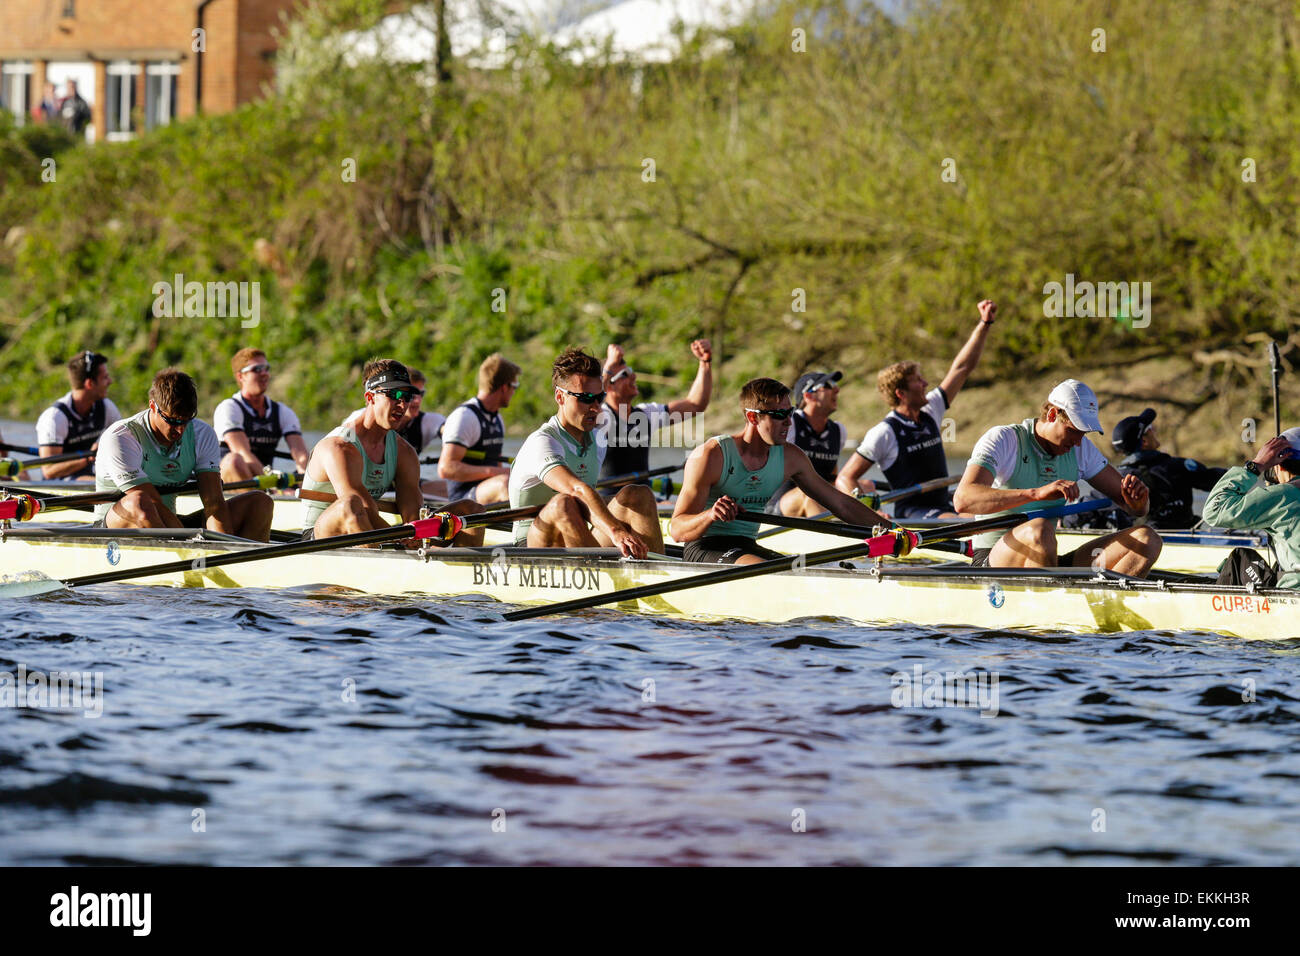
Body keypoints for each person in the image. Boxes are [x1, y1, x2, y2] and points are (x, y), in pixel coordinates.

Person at [670, 378, 897, 564]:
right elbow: (677, 529)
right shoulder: (712, 455)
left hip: (747, 546)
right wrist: (710, 515)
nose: (788, 422)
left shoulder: (791, 457)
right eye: (779, 415)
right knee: (779, 574)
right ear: (752, 417)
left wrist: (893, 530)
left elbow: (840, 503)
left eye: (790, 413)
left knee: (809, 573)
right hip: (705, 548)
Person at [953, 379, 1163, 575]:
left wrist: (1139, 503)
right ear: (1052, 415)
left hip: (1046, 560)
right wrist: (1035, 494)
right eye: (1073, 431)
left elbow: (1133, 508)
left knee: (1147, 539)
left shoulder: (1081, 450)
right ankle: (1055, 601)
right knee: (1040, 527)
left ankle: (1107, 605)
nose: (1079, 442)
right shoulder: (1005, 440)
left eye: (1084, 434)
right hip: (994, 560)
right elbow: (963, 500)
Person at [836, 299, 999, 517]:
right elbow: (845, 477)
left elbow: (962, 368)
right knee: (965, 524)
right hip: (914, 512)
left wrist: (984, 323)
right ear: (901, 393)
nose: (925, 384)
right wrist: (868, 513)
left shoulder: (931, 409)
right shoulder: (884, 433)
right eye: (917, 381)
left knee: (994, 516)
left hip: (944, 503)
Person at [301, 359, 482, 545]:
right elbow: (365, 508)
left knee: (472, 509)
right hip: (320, 536)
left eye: (406, 397)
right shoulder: (339, 448)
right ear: (370, 397)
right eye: (393, 394)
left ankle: (465, 566)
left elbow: (412, 512)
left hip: (369, 529)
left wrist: (415, 533)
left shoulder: (404, 452)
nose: (402, 405)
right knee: (351, 504)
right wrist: (401, 537)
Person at [508, 347, 662, 555]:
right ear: (560, 397)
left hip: (576, 534)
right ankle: (603, 572)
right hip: (532, 545)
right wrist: (616, 532)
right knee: (563, 504)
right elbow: (576, 490)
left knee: (638, 494)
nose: (597, 407)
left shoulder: (598, 440)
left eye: (600, 397)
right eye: (586, 398)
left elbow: (586, 503)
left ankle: (657, 573)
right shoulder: (543, 442)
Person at [93, 369, 273, 540]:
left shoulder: (202, 433)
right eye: (172, 421)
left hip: (168, 523)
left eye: (186, 420)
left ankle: (243, 560)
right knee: (139, 501)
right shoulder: (122, 437)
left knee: (260, 502)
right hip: (118, 526)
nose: (180, 430)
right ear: (153, 407)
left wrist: (225, 544)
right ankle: (188, 553)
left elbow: (214, 503)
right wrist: (190, 543)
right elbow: (152, 501)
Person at [597, 338, 712, 483]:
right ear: (608, 386)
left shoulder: (644, 415)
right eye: (624, 375)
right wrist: (608, 366)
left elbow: (695, 405)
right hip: (608, 502)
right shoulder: (600, 417)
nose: (633, 376)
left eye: (630, 371)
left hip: (642, 500)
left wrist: (705, 363)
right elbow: (590, 399)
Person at [1202, 429, 1300, 588]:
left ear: (1278, 467)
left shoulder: (1282, 496)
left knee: (1239, 559)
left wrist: (1257, 465)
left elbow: (1214, 511)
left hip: (1295, 593)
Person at [1110, 408, 1226, 528]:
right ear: (1144, 441)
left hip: (1145, 540)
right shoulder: (1177, 466)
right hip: (1187, 537)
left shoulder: (1115, 478)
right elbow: (1218, 481)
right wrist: (1243, 472)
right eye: (1150, 428)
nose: (1154, 430)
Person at [345, 367, 447, 496]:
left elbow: (453, 433)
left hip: (400, 483)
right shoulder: (361, 418)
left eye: (420, 395)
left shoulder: (429, 421)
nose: (416, 401)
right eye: (398, 394)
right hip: (362, 485)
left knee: (450, 490)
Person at [214, 349, 310, 481]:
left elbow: (301, 456)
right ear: (240, 376)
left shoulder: (283, 412)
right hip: (228, 480)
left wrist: (305, 487)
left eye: (266, 368)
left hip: (263, 482)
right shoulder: (229, 408)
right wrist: (273, 488)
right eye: (257, 369)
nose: (264, 373)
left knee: (316, 462)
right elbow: (243, 453)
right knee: (235, 460)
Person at [438, 354, 519, 505]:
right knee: (505, 482)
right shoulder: (465, 417)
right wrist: (496, 473)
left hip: (488, 492)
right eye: (515, 387)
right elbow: (446, 468)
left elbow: (497, 462)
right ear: (504, 387)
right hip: (463, 497)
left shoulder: (497, 419)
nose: (514, 392)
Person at [769, 370, 847, 516]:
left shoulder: (838, 431)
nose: (837, 389)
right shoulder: (790, 425)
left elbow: (832, 478)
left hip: (819, 503)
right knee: (810, 495)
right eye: (829, 385)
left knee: (862, 487)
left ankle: (880, 530)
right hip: (779, 506)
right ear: (808, 395)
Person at [36, 350, 122, 479]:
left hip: (88, 477)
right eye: (105, 377)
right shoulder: (55, 418)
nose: (110, 381)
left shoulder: (106, 407)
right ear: (89, 384)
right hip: (59, 483)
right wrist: (89, 458)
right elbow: (49, 471)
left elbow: (128, 439)